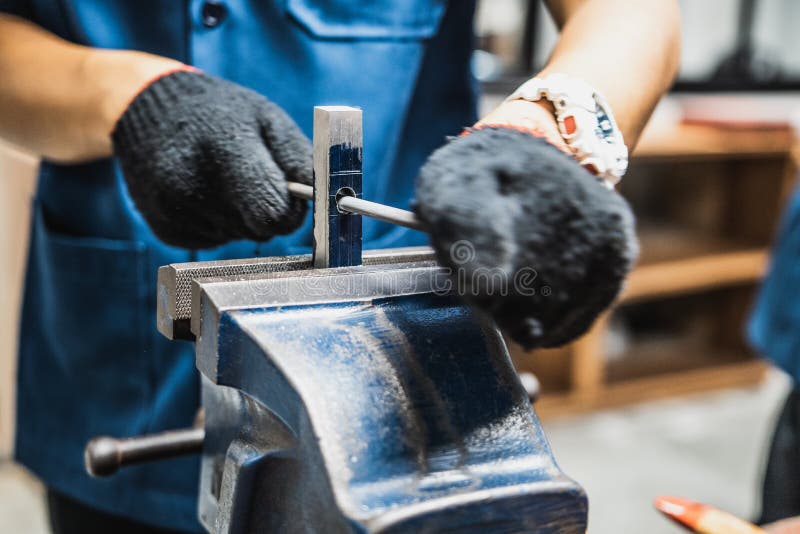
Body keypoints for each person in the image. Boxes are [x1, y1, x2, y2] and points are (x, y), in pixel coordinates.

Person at [0, 1, 680, 532]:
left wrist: (547, 132)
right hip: (111, 366)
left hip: (402, 366)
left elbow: (631, 10)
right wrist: (126, 95)